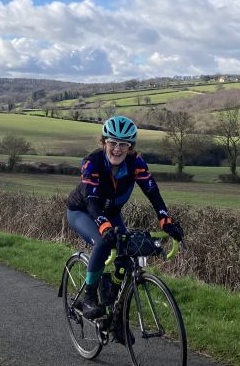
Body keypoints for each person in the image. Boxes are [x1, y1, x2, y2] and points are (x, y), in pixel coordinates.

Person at [66, 115, 184, 320]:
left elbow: (152, 191)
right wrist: (102, 225)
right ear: (104, 142)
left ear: (130, 146)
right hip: (82, 212)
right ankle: (89, 297)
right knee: (103, 244)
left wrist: (165, 219)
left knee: (126, 256)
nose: (117, 149)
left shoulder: (135, 162)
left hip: (111, 213)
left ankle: (115, 314)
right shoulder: (91, 163)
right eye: (112, 143)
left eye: (123, 144)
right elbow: (92, 199)